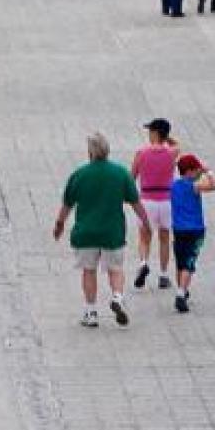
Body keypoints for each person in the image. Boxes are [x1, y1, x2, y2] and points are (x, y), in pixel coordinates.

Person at [52, 132, 148, 328]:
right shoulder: (120, 173)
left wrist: (59, 224)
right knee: (115, 269)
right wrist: (145, 221)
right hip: (112, 233)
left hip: (86, 233)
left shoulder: (79, 175)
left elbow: (67, 205)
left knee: (89, 271)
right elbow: (135, 202)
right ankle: (117, 298)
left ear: (90, 152)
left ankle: (91, 312)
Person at [131, 118, 178, 291]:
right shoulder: (172, 152)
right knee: (164, 238)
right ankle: (164, 275)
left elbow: (131, 178)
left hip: (147, 200)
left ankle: (143, 263)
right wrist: (167, 139)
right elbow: (177, 144)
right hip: (166, 200)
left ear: (156, 133)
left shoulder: (141, 153)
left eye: (151, 131)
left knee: (144, 237)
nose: (149, 134)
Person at [169, 152, 215, 313]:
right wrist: (208, 171)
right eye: (197, 169)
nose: (199, 172)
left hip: (178, 229)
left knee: (180, 261)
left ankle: (181, 290)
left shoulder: (174, 186)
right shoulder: (194, 186)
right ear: (189, 171)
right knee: (189, 264)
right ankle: (180, 294)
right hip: (195, 230)